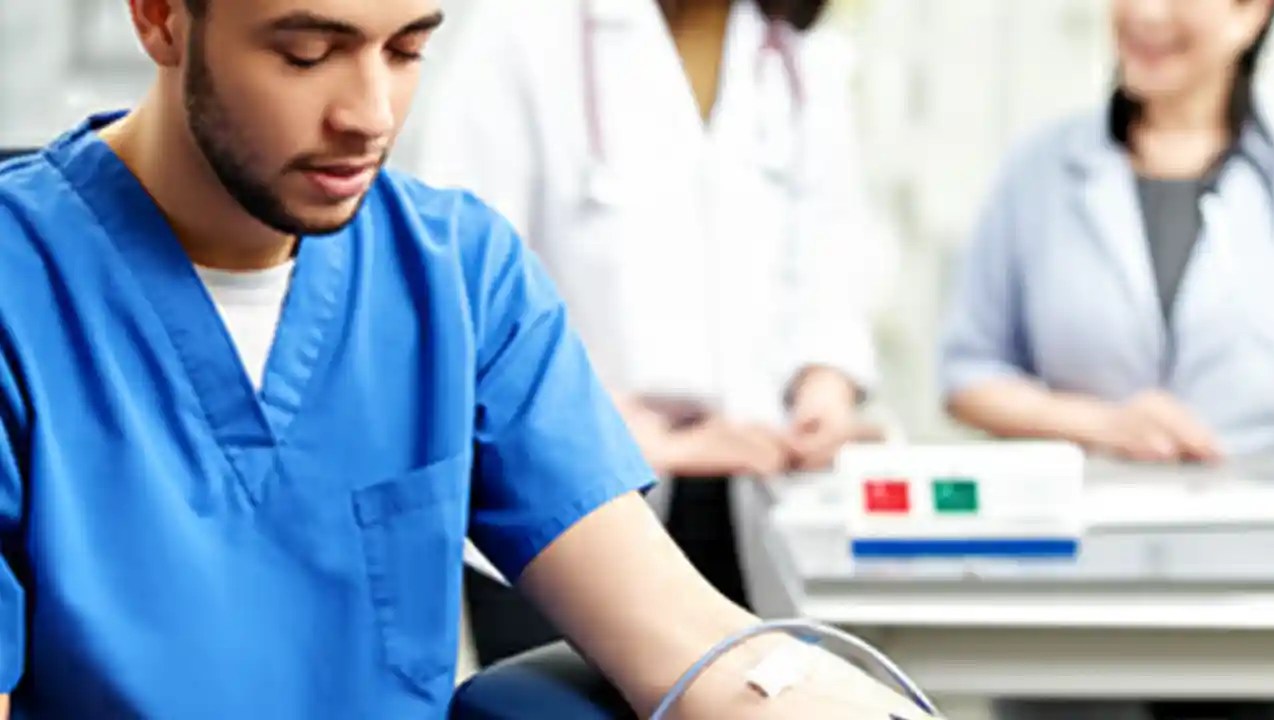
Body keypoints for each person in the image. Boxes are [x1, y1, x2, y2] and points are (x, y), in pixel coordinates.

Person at [0, 1, 942, 718]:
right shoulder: (21, 286)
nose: (369, 114)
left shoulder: (455, 276)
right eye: (306, 53)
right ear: (161, 17)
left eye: (407, 48)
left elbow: (693, 644)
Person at [411, 0, 895, 665]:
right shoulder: (521, 31)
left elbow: (835, 243)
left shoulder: (798, 48)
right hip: (559, 488)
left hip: (746, 486)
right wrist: (627, 434)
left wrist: (825, 380)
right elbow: (461, 272)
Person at [941, 0, 1274, 718]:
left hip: (1256, 599)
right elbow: (969, 371)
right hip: (1069, 589)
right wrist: (1102, 424)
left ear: (1250, 14)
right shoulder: (1040, 170)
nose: (1146, 13)